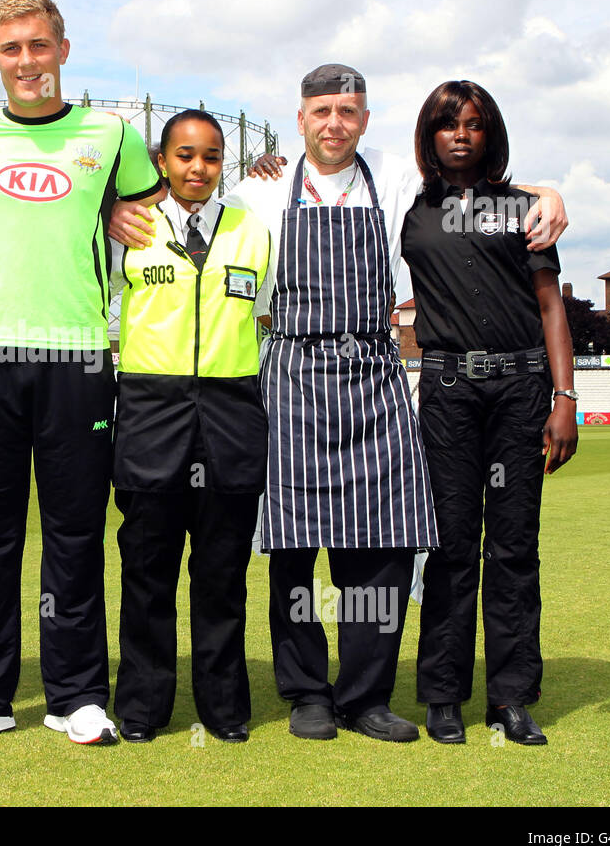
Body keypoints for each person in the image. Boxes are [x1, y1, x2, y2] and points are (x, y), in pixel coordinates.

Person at [112, 63, 568, 744]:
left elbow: (477, 182)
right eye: (322, 111)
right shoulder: (258, 190)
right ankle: (307, 693)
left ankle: (366, 696)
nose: (334, 124)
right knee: (295, 546)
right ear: (301, 119)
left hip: (374, 368)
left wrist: (548, 191)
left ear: (365, 119)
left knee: (379, 547)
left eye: (348, 111)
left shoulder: (396, 176)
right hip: (292, 367)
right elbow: (185, 206)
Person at [0, 0, 162, 746]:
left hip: (77, 356)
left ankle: (77, 693)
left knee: (75, 530)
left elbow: (168, 206)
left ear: (63, 49)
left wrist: (126, 210)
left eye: (39, 44)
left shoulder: (111, 134)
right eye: (11, 48)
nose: (27, 60)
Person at [405, 80, 576, 745]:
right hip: (446, 392)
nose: (460, 135)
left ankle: (509, 696)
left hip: (520, 392)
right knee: (449, 547)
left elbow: (550, 305)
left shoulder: (523, 211)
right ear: (430, 134)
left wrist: (564, 398)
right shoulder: (410, 206)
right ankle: (443, 693)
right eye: (448, 124)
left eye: (473, 124)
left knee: (513, 547)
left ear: (489, 133)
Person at [109, 110, 272, 744]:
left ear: (223, 162)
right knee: (146, 568)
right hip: (152, 414)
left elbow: (270, 311)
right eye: (184, 155)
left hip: (231, 417)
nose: (197, 168)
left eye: (210, 156)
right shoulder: (130, 227)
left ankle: (225, 706)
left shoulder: (254, 230)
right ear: (162, 161)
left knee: (222, 572)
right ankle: (143, 707)